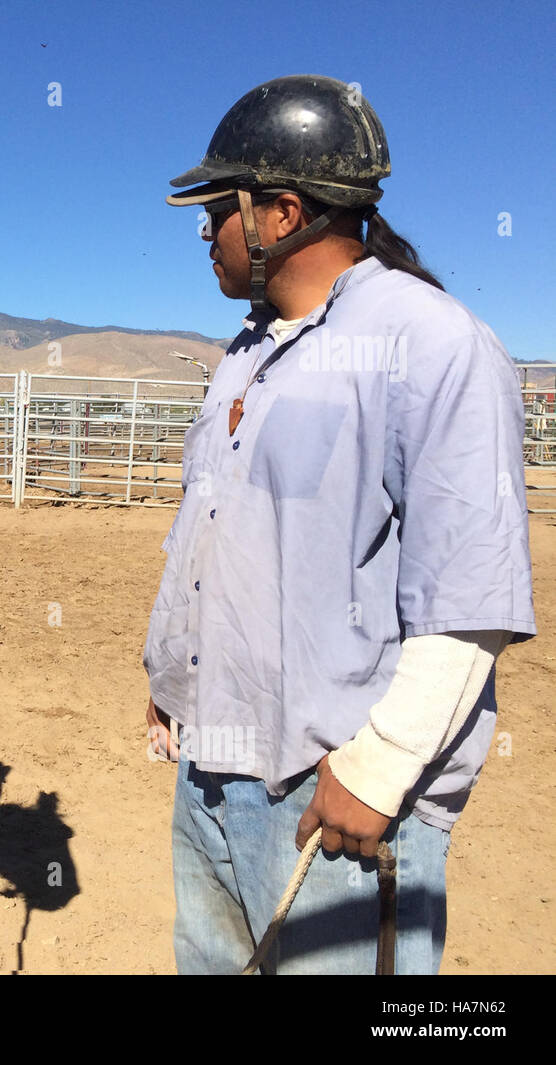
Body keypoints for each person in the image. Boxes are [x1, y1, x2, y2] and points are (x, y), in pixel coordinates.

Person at [143, 75, 536, 974]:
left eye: (219, 211)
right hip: (210, 770)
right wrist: (175, 671)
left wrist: (381, 765)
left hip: (337, 802)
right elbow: (217, 534)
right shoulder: (245, 358)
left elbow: (471, 593)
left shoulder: (434, 343)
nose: (207, 235)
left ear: (281, 213)